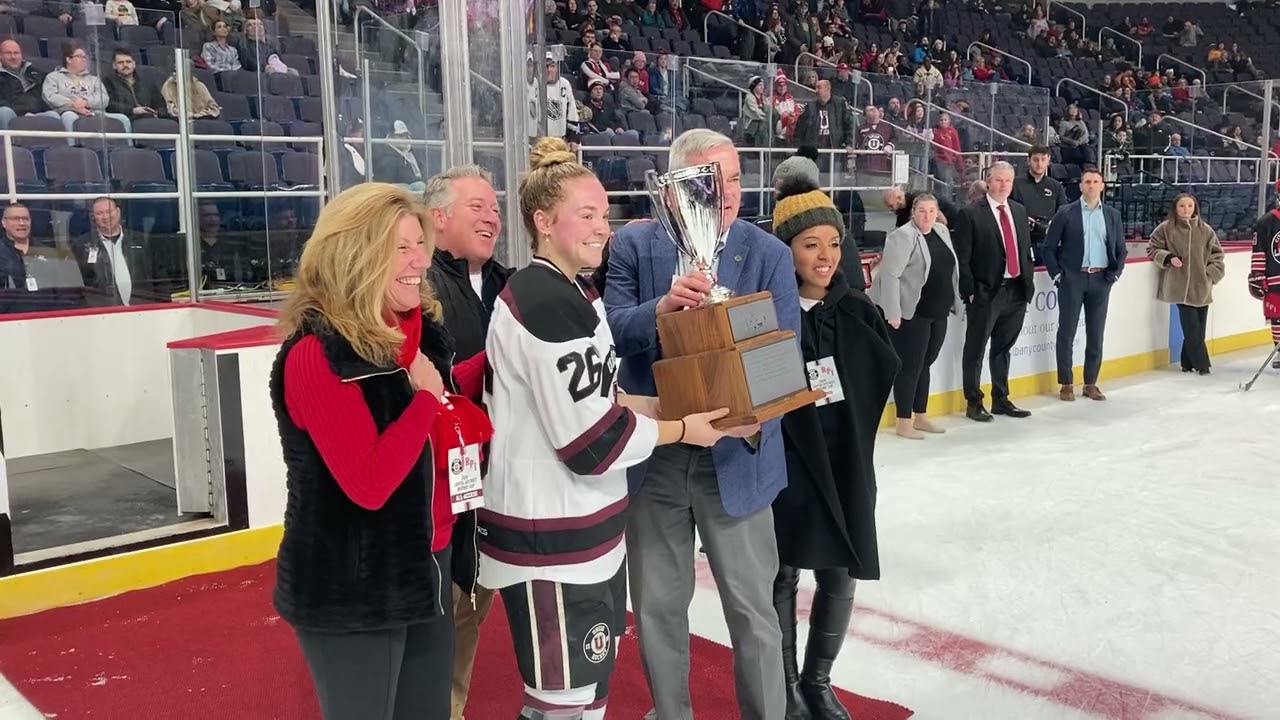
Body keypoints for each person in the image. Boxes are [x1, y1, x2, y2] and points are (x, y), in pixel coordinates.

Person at [480, 137, 732, 720]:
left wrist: (672, 404)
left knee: (585, 697)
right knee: (561, 705)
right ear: (543, 222)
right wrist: (681, 428)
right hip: (551, 540)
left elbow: (604, 398)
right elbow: (591, 445)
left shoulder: (576, 290)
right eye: (585, 215)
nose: (602, 227)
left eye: (604, 213)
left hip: (586, 534)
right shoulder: (541, 299)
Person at [270, 183, 494, 720]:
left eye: (421, 243)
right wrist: (423, 399)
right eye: (401, 248)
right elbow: (370, 484)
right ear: (355, 255)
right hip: (354, 591)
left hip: (428, 568)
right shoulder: (316, 355)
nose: (421, 260)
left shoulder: (418, 339)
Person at [605, 128, 799, 720]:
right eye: (716, 180)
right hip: (658, 457)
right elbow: (610, 333)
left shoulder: (769, 254)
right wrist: (661, 309)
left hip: (737, 460)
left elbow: (782, 360)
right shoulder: (633, 248)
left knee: (752, 612)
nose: (732, 191)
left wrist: (748, 413)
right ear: (676, 189)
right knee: (660, 609)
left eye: (738, 177)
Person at [769, 177, 899, 720]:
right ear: (787, 250)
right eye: (810, 245)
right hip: (788, 465)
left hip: (845, 461)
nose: (825, 256)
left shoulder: (857, 311)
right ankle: (784, 688)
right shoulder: (769, 314)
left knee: (840, 571)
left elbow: (881, 374)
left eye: (833, 244)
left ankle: (817, 681)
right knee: (783, 572)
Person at [420, 165, 511, 720]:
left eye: (495, 208)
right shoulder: (417, 285)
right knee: (443, 600)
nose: (492, 216)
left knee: (474, 601)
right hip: (438, 478)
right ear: (438, 217)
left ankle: (450, 705)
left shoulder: (511, 282)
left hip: (496, 472)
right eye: (477, 206)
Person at [870, 193, 962, 439]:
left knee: (926, 364)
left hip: (938, 311)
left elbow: (952, 269)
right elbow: (890, 276)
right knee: (910, 367)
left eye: (932, 211)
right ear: (913, 212)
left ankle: (920, 415)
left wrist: (955, 301)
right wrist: (893, 312)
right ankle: (903, 420)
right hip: (912, 314)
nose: (927, 216)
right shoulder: (902, 236)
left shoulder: (942, 231)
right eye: (922, 211)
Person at [951, 161, 1036, 422]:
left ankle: (1001, 398)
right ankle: (974, 402)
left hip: (1015, 290)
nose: (1003, 185)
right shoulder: (971, 213)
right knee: (975, 349)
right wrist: (971, 291)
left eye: (1008, 180)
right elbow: (962, 259)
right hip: (987, 293)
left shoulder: (1019, 211)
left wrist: (1027, 280)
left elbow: (1023, 250)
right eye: (998, 180)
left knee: (1003, 348)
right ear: (988, 181)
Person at [1042, 168, 1126, 401]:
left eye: (1095, 181)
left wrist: (1115, 274)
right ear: (1080, 186)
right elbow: (1048, 248)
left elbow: (1120, 248)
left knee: (1096, 333)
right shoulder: (1066, 213)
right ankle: (1066, 383)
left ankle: (1091, 383)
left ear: (1102, 186)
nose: (1091, 185)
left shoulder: (1112, 215)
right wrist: (1058, 275)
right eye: (1087, 181)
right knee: (1066, 332)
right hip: (1072, 279)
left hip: (1101, 280)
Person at [1147, 193, 1225, 375]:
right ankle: (1203, 365)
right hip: (1179, 286)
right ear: (1175, 208)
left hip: (1201, 287)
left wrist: (1210, 274)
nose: (1186, 209)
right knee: (1191, 329)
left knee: (1198, 329)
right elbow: (1152, 247)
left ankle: (1187, 363)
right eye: (1182, 206)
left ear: (1195, 208)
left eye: (1189, 206)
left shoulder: (1206, 230)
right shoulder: (1166, 228)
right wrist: (1168, 258)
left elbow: (1217, 255)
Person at [1010, 145, 1066, 264]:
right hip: (1022, 241)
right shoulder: (1015, 184)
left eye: (1043, 159)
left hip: (1047, 242)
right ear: (1028, 160)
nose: (1039, 164)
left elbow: (1063, 212)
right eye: (1035, 159)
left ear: (1048, 160)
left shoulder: (1056, 186)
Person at [1249, 189, 1280, 370]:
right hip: (1275, 279)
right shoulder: (1266, 222)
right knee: (1277, 317)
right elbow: (1259, 250)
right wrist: (1258, 275)